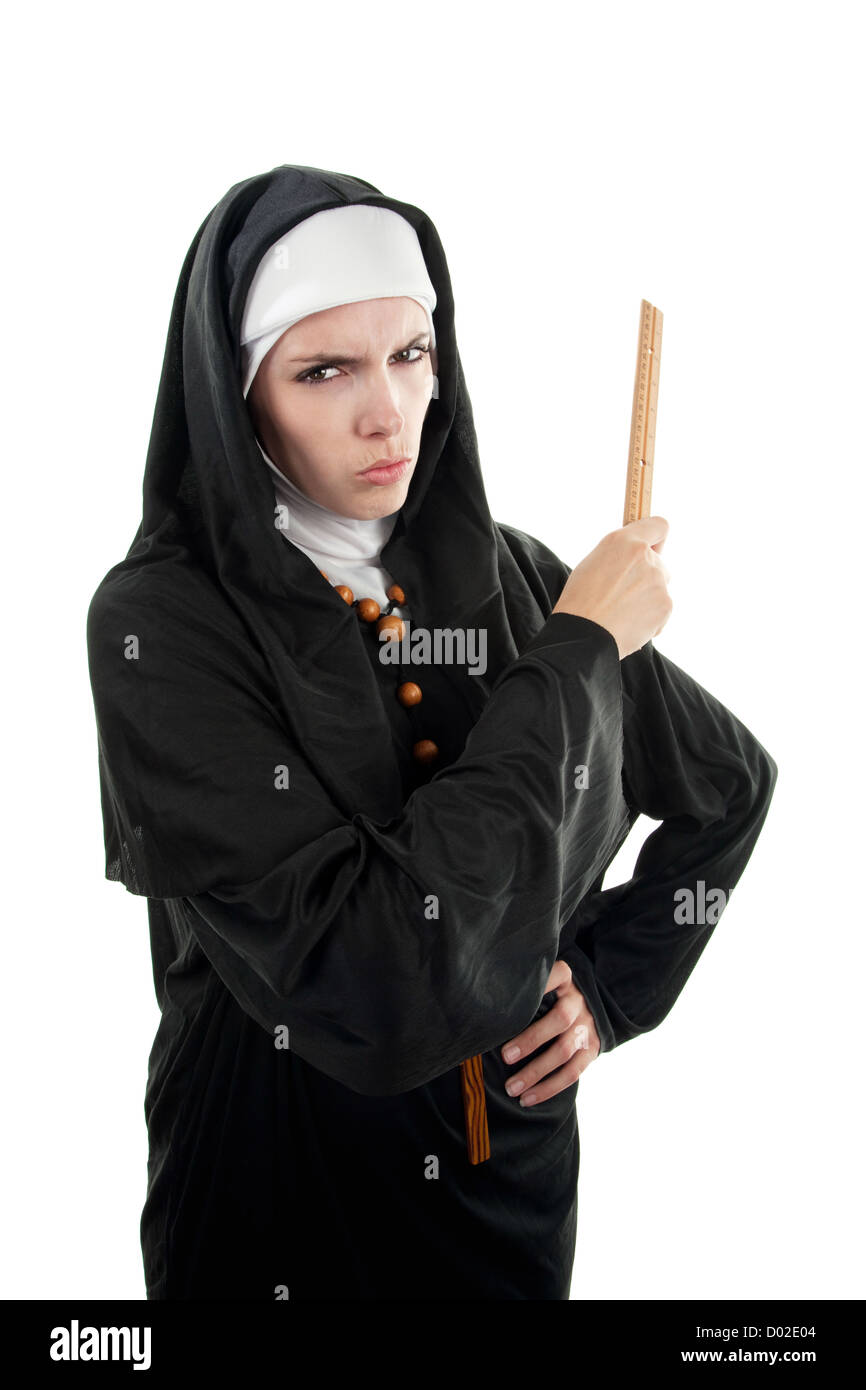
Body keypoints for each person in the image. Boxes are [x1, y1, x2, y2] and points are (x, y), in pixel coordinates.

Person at [86, 163, 777, 1301]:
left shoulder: (510, 575)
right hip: (271, 1201)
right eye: (323, 369)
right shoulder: (162, 621)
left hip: (501, 1193)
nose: (387, 411)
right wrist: (576, 656)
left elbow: (729, 786)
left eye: (410, 353)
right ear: (237, 392)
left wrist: (605, 987)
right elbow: (373, 977)